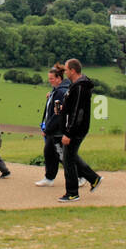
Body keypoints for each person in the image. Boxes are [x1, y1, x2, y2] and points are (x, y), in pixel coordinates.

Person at [58, 58, 102, 202]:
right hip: (76, 127)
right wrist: (62, 109)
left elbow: (78, 112)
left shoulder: (79, 87)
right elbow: (72, 107)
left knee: (68, 159)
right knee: (70, 155)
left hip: (76, 129)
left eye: (66, 69)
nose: (64, 72)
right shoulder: (76, 85)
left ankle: (72, 193)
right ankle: (94, 178)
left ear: (73, 70)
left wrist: (69, 133)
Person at [36, 64, 69, 186]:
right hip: (53, 130)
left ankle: (81, 175)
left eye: (51, 79)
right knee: (50, 153)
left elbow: (57, 115)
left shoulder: (61, 92)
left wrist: (48, 129)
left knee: (62, 155)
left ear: (59, 78)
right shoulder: (56, 91)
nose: (49, 81)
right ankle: (49, 178)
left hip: (57, 130)